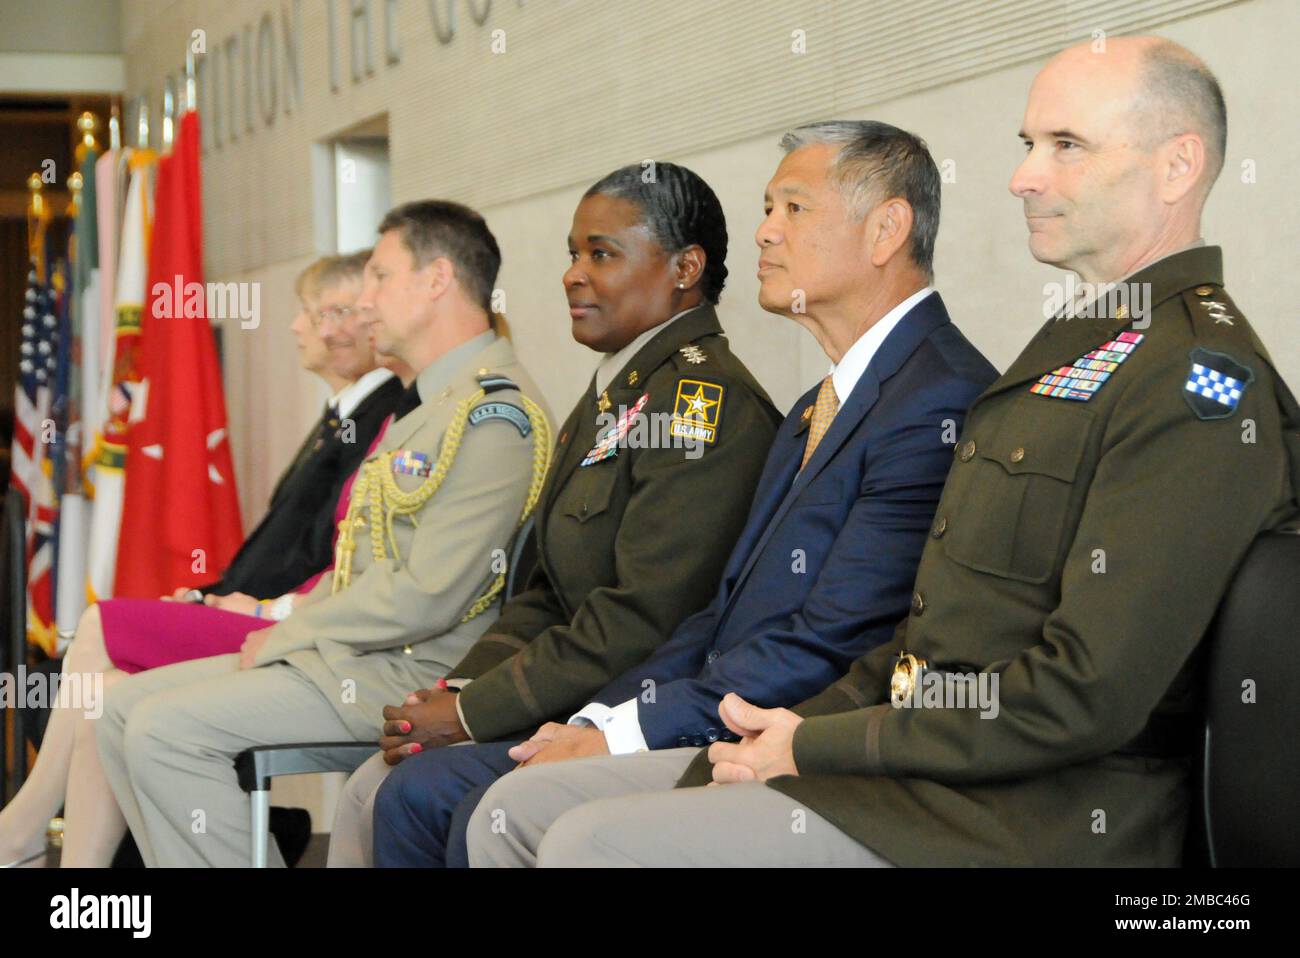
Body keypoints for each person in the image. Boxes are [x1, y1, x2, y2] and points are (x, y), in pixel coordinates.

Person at [469, 36, 1300, 867]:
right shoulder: (1073, 358)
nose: (1023, 176)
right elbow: (927, 635)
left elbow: (1083, 695)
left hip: (1027, 821)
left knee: (588, 844)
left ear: (1177, 165)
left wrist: (821, 744)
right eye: (1027, 146)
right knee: (521, 816)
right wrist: (797, 727)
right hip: (914, 777)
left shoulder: (1197, 385)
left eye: (1066, 146)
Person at [371, 122, 999, 868]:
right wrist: (601, 715)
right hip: (714, 711)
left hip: (802, 745)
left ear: (886, 229)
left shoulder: (936, 398)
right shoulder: (814, 406)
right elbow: (718, 616)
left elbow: (829, 640)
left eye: (792, 209)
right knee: (413, 789)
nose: (764, 231)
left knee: (507, 812)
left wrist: (616, 733)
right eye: (768, 208)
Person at [326, 162, 782, 866]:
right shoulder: (613, 396)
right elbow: (541, 589)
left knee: (420, 791)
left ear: (685, 267)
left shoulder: (702, 406)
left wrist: (476, 716)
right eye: (573, 254)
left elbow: (646, 617)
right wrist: (461, 689)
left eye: (601, 254)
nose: (573, 274)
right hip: (563, 693)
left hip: (632, 709)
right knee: (373, 784)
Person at [93, 200, 552, 867]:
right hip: (358, 655)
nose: (365, 302)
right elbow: (362, 564)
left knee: (165, 732)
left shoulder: (492, 414)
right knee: (119, 709)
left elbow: (429, 594)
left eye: (379, 277)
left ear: (437, 280)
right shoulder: (434, 403)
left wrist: (290, 630)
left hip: (417, 672)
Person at [0, 252, 400, 868]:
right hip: (274, 608)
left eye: (316, 311)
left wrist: (258, 603)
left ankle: (25, 825)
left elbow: (329, 555)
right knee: (100, 692)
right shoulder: (346, 417)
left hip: (306, 629)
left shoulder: (389, 414)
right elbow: (293, 544)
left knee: (104, 626)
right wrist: (216, 592)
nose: (297, 326)